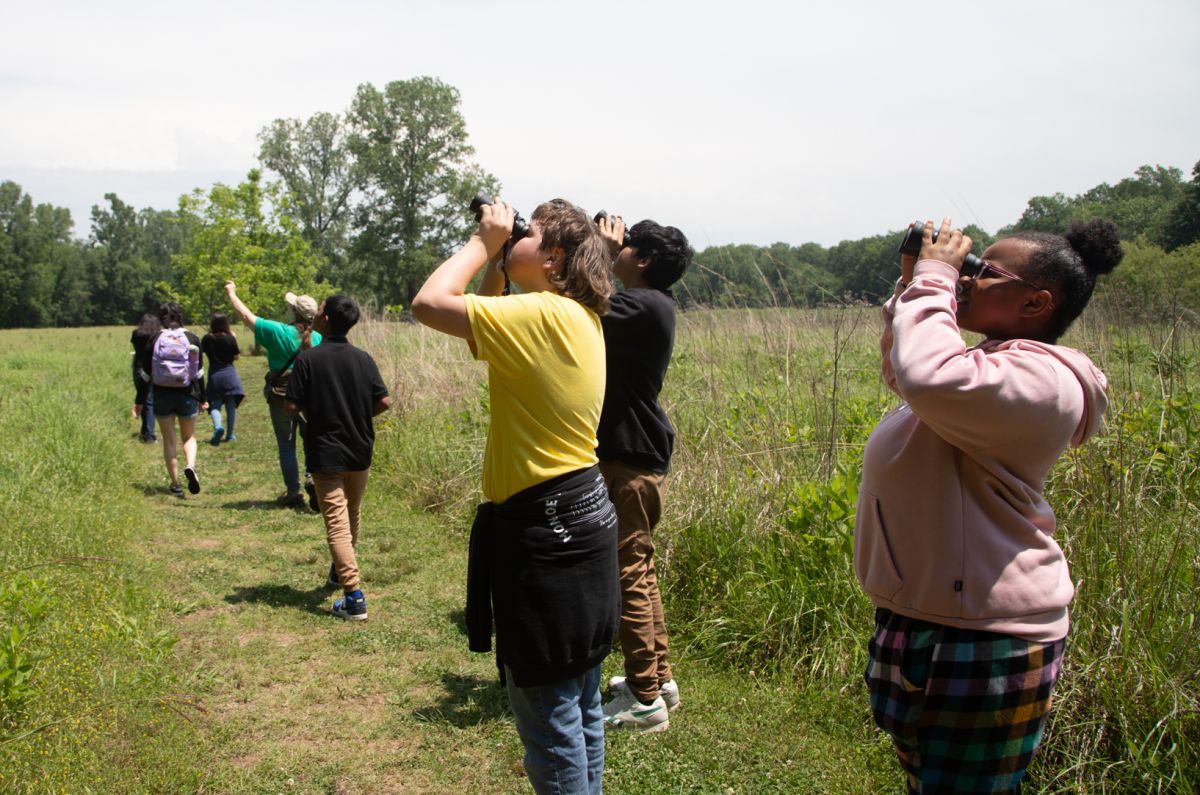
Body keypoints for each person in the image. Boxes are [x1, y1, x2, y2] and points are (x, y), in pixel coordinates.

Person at [854, 217, 1123, 794]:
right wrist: (914, 282)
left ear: (1036, 302)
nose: (965, 281)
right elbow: (907, 369)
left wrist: (935, 276)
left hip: (989, 635)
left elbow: (927, 378)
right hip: (930, 616)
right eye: (965, 271)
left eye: (981, 271)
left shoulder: (1044, 380)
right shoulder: (992, 366)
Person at [412, 198, 619, 795]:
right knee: (579, 701)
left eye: (526, 231)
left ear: (553, 257)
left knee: (549, 710)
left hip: (544, 528)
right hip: (581, 514)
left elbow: (430, 303)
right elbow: (488, 306)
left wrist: (482, 240)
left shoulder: (541, 315)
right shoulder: (571, 315)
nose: (514, 234)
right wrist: (502, 256)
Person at [593, 215, 692, 733]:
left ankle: (645, 700)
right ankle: (658, 678)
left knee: (628, 570)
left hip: (628, 457)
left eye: (628, 245)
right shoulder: (651, 304)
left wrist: (600, 257)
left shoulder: (639, 303)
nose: (621, 248)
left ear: (645, 259)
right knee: (641, 567)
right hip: (641, 455)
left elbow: (579, 309)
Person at [284, 294, 391, 620]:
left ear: (326, 319)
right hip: (359, 448)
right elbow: (384, 402)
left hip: (325, 450)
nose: (316, 313)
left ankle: (354, 596)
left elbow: (291, 406)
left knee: (336, 523)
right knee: (351, 513)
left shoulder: (308, 360)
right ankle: (339, 570)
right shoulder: (363, 359)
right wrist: (358, 415)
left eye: (319, 310)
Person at [225, 281, 323, 508]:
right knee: (311, 442)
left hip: (282, 396)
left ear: (293, 312)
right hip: (310, 397)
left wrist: (232, 293)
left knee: (286, 445)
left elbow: (246, 316)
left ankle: (293, 492)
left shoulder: (278, 331)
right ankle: (313, 480)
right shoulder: (318, 337)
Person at [139, 302, 207, 497]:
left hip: (161, 394)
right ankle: (191, 465)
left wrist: (140, 400)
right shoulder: (192, 337)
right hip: (187, 393)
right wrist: (203, 397)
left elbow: (145, 373)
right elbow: (199, 372)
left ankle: (176, 484)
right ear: (180, 315)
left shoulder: (156, 338)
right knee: (189, 437)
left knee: (169, 440)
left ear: (161, 318)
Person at [201, 312, 245, 445]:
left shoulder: (207, 339)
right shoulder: (230, 338)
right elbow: (237, 357)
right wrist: (233, 338)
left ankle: (218, 427)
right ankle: (230, 435)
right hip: (230, 374)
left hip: (214, 375)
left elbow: (202, 351)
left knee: (215, 405)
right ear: (226, 323)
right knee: (231, 406)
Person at [130, 312, 161, 443]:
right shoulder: (156, 336)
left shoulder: (136, 334)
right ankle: (149, 434)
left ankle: (145, 431)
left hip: (138, 368)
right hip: (152, 368)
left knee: (143, 398)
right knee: (149, 401)